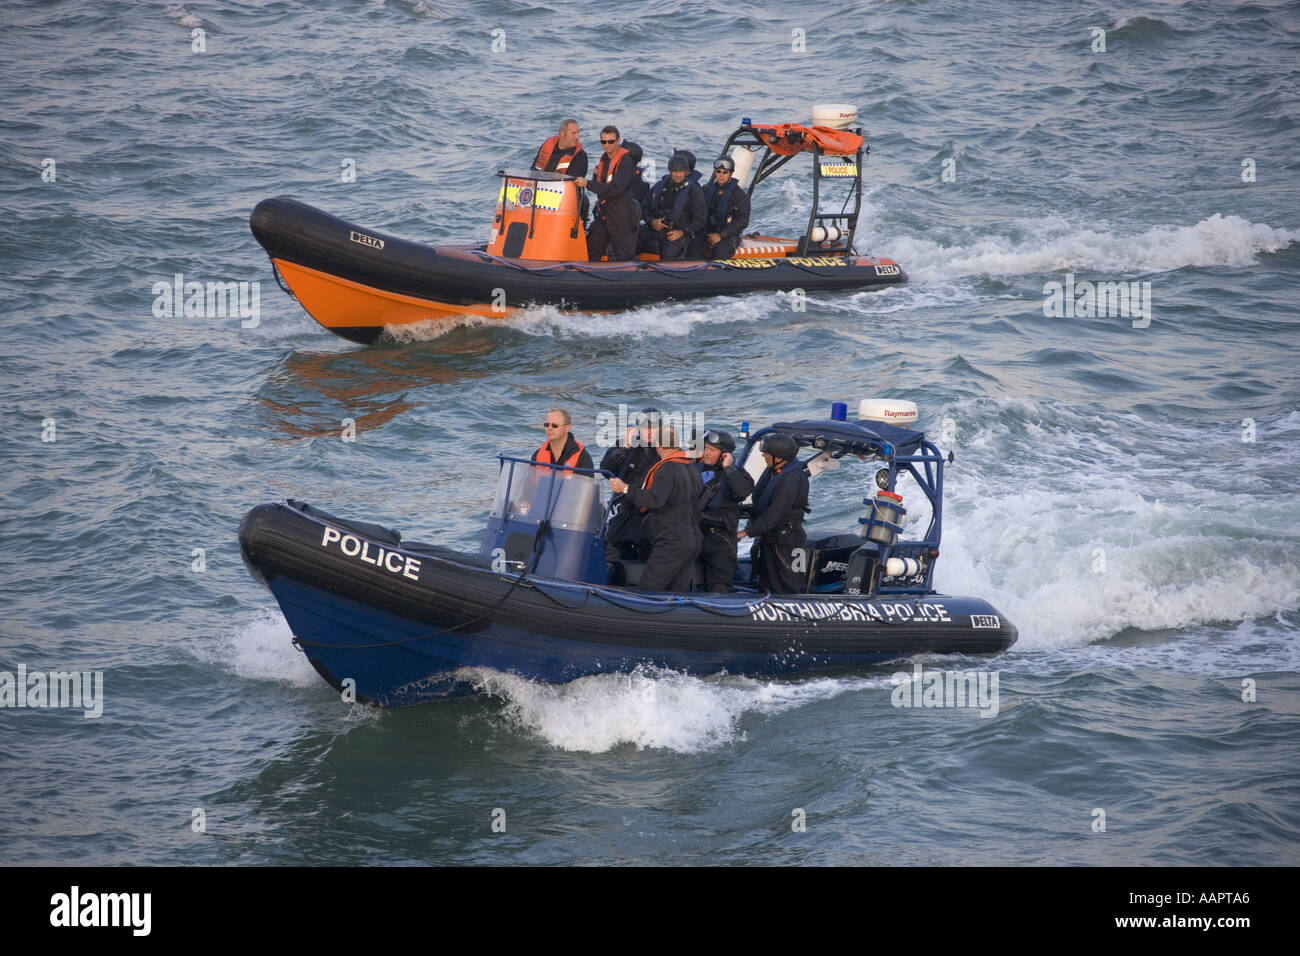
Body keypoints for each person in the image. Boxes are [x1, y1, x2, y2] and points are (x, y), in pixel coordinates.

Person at [610, 424, 703, 591]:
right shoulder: (691, 467)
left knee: (647, 588)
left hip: (671, 541)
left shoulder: (667, 467)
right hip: (693, 539)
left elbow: (655, 500)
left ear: (658, 445)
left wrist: (625, 488)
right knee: (678, 591)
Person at [739, 432, 809, 594]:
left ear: (779, 457)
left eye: (767, 453)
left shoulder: (791, 479)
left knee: (787, 585)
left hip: (787, 542)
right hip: (770, 540)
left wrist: (745, 533)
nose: (763, 455)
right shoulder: (774, 472)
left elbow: (775, 515)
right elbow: (761, 504)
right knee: (766, 584)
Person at [694, 429, 754, 592]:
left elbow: (743, 492)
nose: (706, 453)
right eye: (705, 448)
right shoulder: (696, 468)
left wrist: (728, 468)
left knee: (719, 584)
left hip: (721, 539)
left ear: (724, 454)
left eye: (712, 450)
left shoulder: (737, 474)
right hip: (696, 535)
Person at [601, 407, 661, 560]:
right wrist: (624, 449)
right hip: (625, 513)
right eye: (645, 426)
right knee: (607, 544)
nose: (648, 431)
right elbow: (605, 469)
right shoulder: (626, 446)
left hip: (651, 517)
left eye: (653, 427)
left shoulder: (665, 451)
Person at [574, 126, 639, 261]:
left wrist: (587, 184)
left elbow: (615, 189)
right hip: (604, 209)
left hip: (620, 210)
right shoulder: (604, 160)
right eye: (604, 142)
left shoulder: (625, 161)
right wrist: (591, 180)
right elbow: (598, 185)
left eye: (611, 141)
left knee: (623, 250)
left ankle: (626, 276)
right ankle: (590, 274)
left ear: (618, 141)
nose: (607, 145)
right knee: (593, 244)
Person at [643, 152, 706, 260]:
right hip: (657, 229)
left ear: (687, 172)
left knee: (668, 254)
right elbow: (644, 207)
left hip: (679, 232)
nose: (678, 174)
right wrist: (652, 222)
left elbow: (701, 219)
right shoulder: (659, 186)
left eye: (681, 171)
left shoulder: (694, 191)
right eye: (674, 171)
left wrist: (683, 232)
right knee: (633, 240)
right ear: (669, 171)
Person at [699, 156, 750, 260]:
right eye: (718, 171)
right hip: (708, 231)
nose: (721, 175)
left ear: (730, 174)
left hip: (729, 235)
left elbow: (743, 220)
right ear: (715, 173)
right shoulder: (707, 190)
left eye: (725, 172)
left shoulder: (739, 195)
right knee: (695, 246)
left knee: (719, 251)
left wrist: (720, 235)